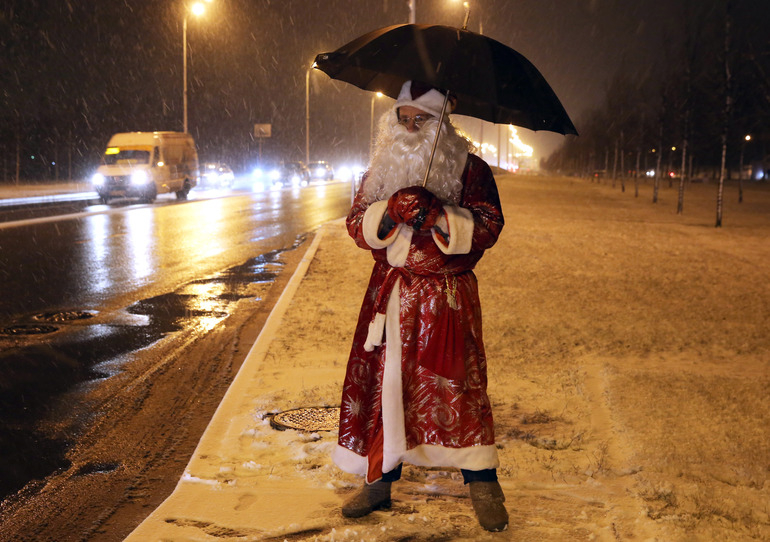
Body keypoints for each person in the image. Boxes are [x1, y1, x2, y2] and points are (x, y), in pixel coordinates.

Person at [332, 80, 508, 532]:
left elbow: (489, 225)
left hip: (445, 299)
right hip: (390, 294)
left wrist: (441, 216)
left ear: (442, 122)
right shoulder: (380, 170)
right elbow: (356, 223)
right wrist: (388, 213)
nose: (410, 128)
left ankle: (483, 483)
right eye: (403, 119)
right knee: (383, 388)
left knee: (458, 389)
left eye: (421, 120)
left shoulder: (471, 169)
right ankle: (378, 481)